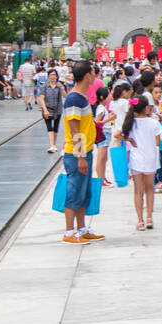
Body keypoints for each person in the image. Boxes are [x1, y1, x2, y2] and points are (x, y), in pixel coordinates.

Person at [61, 60, 103, 244]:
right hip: (76, 154)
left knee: (83, 192)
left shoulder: (82, 97)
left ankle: (81, 228)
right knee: (75, 191)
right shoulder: (74, 99)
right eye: (93, 72)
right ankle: (69, 232)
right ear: (87, 75)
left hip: (85, 151)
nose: (95, 75)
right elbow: (74, 130)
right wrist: (80, 157)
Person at [122, 96, 162, 230]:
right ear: (146, 108)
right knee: (149, 189)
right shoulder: (153, 123)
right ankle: (149, 218)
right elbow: (159, 141)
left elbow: (118, 134)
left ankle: (140, 220)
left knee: (137, 192)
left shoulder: (130, 123)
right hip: (151, 158)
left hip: (136, 160)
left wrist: (129, 140)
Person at [92, 85, 114, 188]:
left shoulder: (103, 108)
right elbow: (98, 122)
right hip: (104, 133)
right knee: (101, 158)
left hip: (106, 133)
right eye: (108, 94)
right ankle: (100, 179)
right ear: (102, 97)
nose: (110, 96)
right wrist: (109, 119)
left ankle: (103, 177)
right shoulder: (101, 108)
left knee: (104, 158)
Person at [40, 70, 64, 151]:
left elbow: (65, 95)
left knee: (56, 127)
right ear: (48, 76)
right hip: (47, 108)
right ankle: (52, 145)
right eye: (51, 75)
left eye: (54, 75)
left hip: (58, 109)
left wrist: (62, 88)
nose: (53, 76)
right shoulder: (44, 86)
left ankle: (54, 144)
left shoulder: (59, 85)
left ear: (57, 76)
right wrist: (45, 110)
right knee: (49, 127)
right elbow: (41, 98)